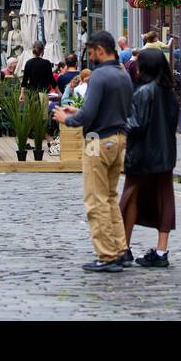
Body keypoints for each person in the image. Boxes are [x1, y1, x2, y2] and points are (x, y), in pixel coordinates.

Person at [53, 30, 134, 272]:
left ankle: (106, 256)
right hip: (118, 140)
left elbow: (88, 115)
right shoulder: (124, 76)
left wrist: (65, 119)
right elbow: (114, 110)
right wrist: (75, 113)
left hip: (97, 142)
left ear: (100, 50)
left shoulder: (98, 77)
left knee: (95, 200)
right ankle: (121, 250)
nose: (90, 57)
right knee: (109, 197)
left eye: (91, 52)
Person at [119, 47, 179, 267]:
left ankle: (123, 248)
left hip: (143, 154)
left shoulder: (144, 92)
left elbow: (136, 124)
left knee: (128, 198)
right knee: (165, 200)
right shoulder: (169, 92)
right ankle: (161, 251)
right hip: (165, 155)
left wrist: (115, 124)